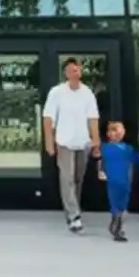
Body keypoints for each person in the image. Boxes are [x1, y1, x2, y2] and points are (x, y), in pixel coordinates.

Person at [43, 57, 101, 233]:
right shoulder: (57, 92)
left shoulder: (87, 93)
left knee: (78, 179)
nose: (74, 73)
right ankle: (74, 215)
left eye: (76, 70)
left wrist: (96, 141)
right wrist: (49, 142)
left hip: (83, 142)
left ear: (80, 71)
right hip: (64, 142)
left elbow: (93, 118)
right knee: (67, 178)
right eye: (70, 70)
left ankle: (72, 211)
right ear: (65, 73)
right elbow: (48, 118)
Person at [98, 120, 139, 242]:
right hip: (113, 180)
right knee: (115, 203)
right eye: (114, 129)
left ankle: (115, 223)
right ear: (108, 133)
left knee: (123, 204)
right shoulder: (104, 148)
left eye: (120, 129)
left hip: (125, 181)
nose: (118, 132)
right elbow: (100, 162)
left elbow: (138, 159)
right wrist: (100, 171)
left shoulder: (128, 149)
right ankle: (117, 228)